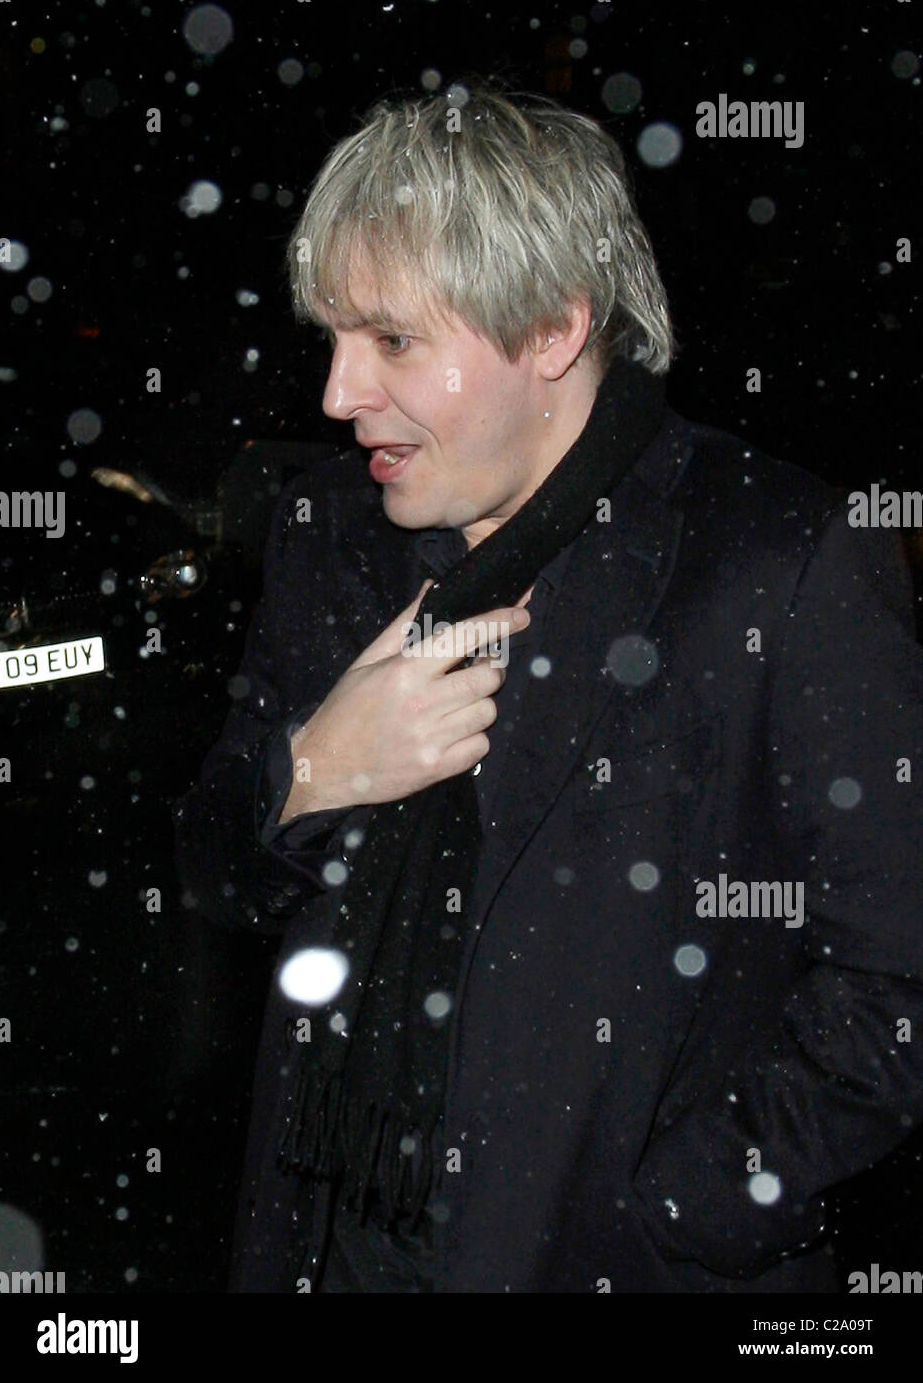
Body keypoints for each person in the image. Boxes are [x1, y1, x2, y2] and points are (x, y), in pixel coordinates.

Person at [172, 81, 923, 1293]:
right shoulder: (331, 530)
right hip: (332, 1247)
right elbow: (212, 862)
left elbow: (898, 982)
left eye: (393, 340)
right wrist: (315, 772)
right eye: (331, 338)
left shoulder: (774, 557)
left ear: (553, 331)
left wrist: (675, 1204)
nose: (336, 393)